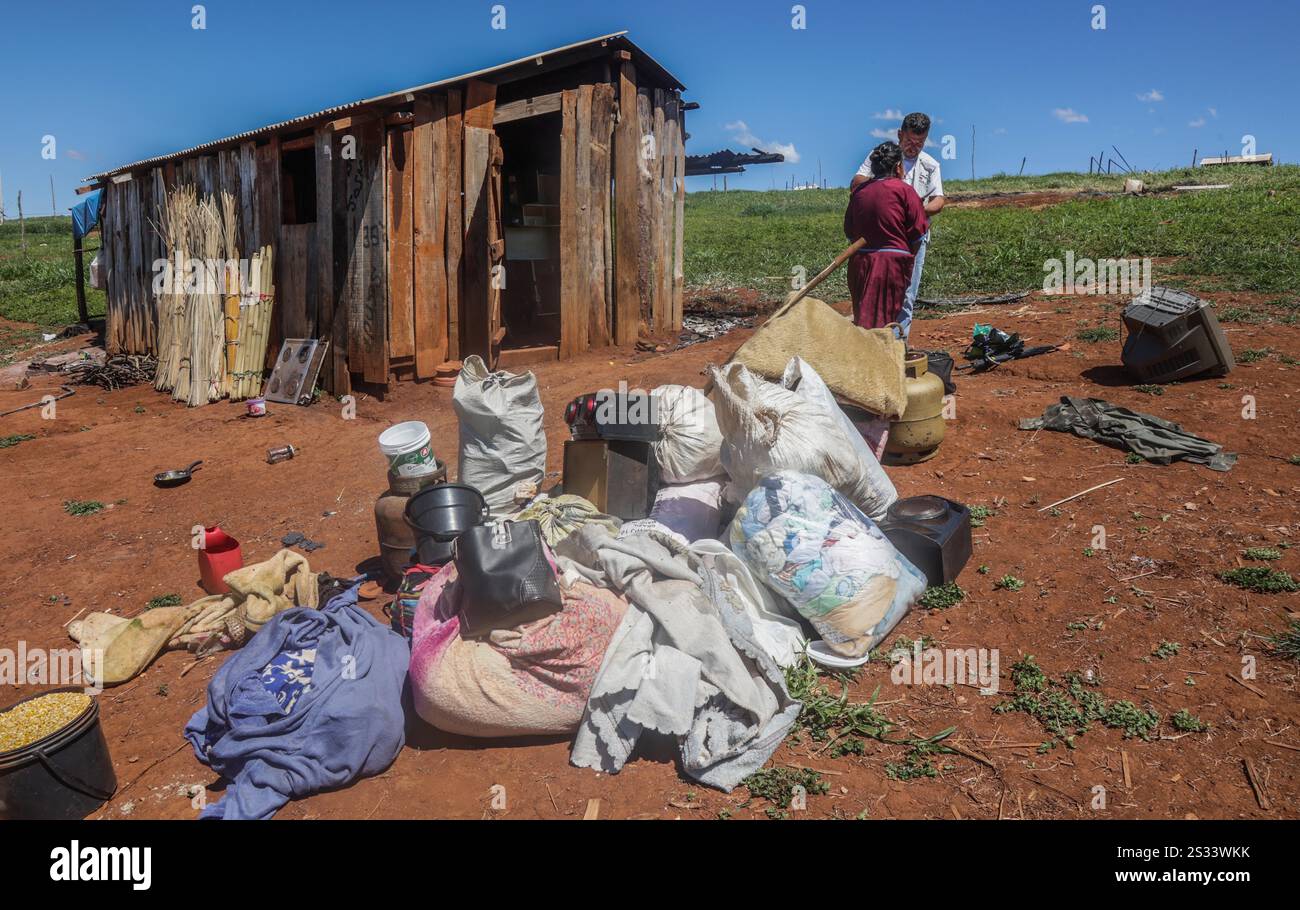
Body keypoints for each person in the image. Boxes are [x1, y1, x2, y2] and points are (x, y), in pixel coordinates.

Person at [850, 112, 945, 336]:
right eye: (909, 141)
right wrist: (888, 196)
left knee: (906, 294)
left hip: (912, 236)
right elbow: (857, 182)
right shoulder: (884, 157)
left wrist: (911, 209)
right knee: (872, 293)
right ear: (900, 134)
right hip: (881, 237)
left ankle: (897, 347)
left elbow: (939, 200)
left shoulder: (930, 165)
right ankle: (872, 344)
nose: (913, 147)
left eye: (919, 143)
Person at [843, 142, 929, 331]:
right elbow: (917, 234)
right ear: (898, 167)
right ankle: (887, 356)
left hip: (860, 266)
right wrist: (904, 259)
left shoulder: (859, 193)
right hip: (891, 266)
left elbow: (849, 231)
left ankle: (864, 355)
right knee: (888, 322)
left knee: (863, 320)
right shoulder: (905, 191)